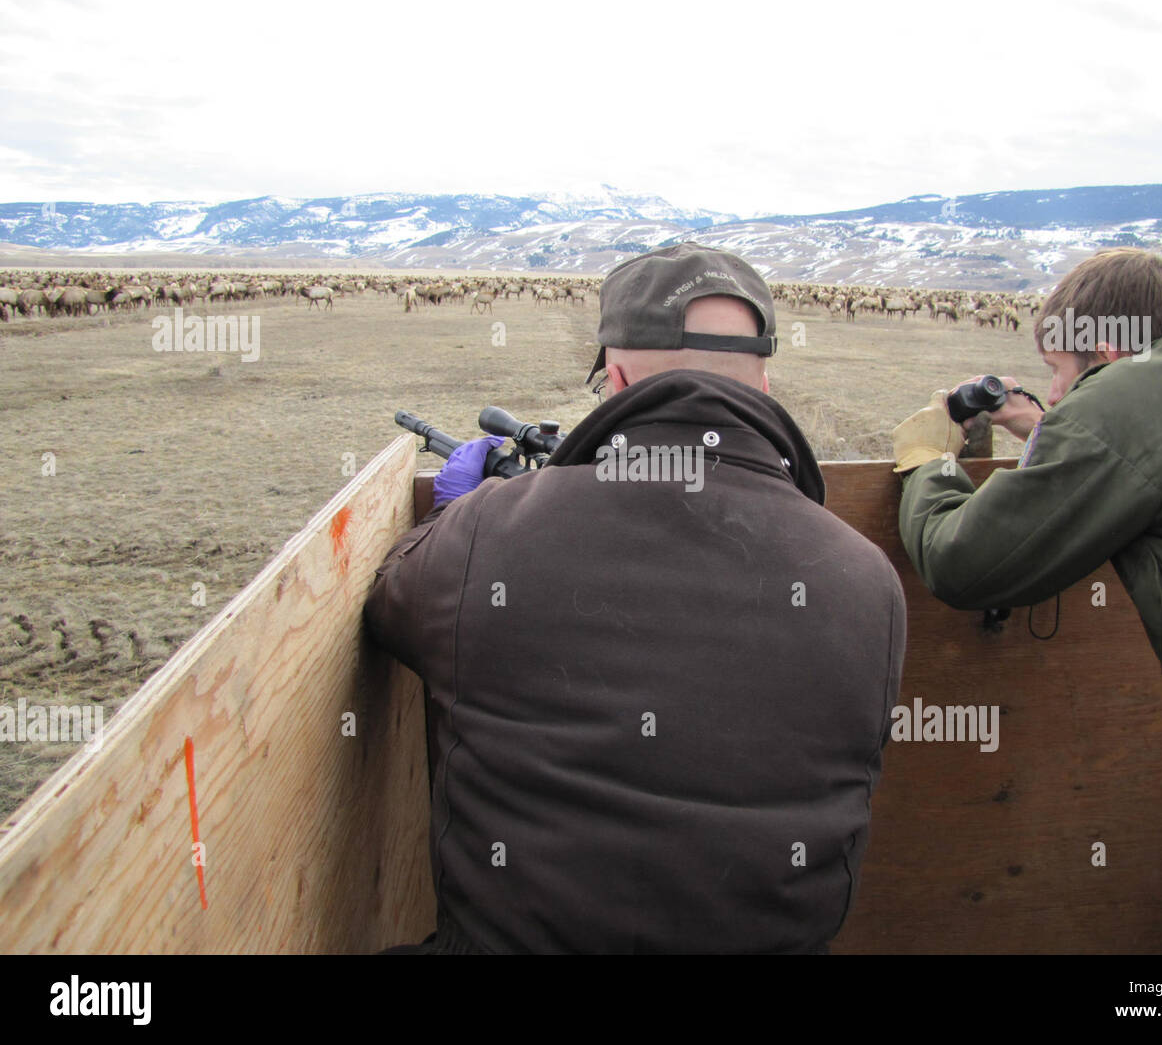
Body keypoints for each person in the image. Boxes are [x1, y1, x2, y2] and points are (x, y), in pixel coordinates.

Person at [365, 243, 906, 954]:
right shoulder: (869, 583)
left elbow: (388, 607)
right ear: (764, 383)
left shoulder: (490, 536)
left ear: (616, 378)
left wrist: (458, 514)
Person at [890, 247, 1162, 952]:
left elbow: (966, 563)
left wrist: (928, 462)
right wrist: (1057, 429)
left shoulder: (1126, 391)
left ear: (1107, 353)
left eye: (1060, 372)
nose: (1060, 389)